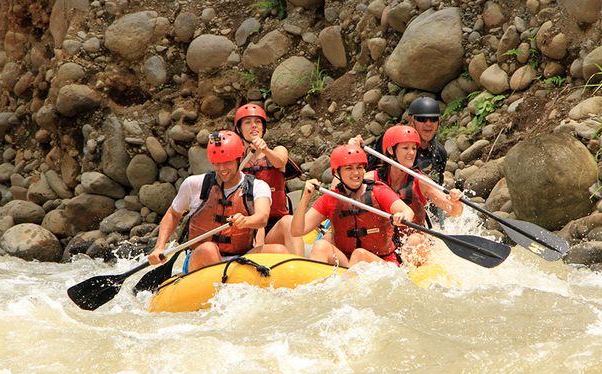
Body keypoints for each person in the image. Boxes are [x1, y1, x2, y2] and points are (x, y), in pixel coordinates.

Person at [147, 130, 288, 272]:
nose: (221, 169)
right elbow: (173, 214)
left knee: (280, 251)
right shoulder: (195, 184)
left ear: (239, 159)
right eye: (217, 163)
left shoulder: (257, 186)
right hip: (200, 258)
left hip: (240, 257)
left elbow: (262, 218)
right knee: (209, 249)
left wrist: (246, 221)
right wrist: (159, 247)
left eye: (227, 163)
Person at [291, 144, 414, 267]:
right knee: (320, 246)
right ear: (337, 172)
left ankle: (343, 282)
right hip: (347, 262)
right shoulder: (331, 198)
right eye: (349, 168)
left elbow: (407, 211)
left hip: (383, 263)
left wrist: (402, 217)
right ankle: (321, 283)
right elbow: (297, 231)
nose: (356, 173)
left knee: (359, 255)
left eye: (359, 167)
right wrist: (305, 198)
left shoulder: (378, 191)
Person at [362, 125, 464, 265]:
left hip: (414, 246)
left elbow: (454, 212)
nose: (411, 153)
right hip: (385, 249)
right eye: (405, 148)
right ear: (391, 150)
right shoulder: (371, 178)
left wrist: (456, 201)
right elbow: (340, 191)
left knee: (415, 240)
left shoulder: (421, 182)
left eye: (414, 148)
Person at [233, 103, 304, 255]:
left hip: (275, 225)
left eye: (257, 122)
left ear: (263, 127)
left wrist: (264, 149)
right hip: (247, 225)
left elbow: (280, 161)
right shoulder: (235, 161)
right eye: (248, 122)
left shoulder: (277, 151)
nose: (254, 126)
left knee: (288, 221)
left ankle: (300, 266)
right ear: (239, 129)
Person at [367, 96, 448, 185]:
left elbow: (438, 186)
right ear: (411, 119)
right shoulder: (393, 139)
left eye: (433, 119)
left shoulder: (440, 152)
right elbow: (369, 170)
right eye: (422, 119)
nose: (428, 124)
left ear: (439, 121)